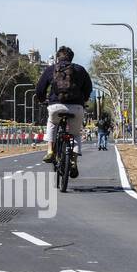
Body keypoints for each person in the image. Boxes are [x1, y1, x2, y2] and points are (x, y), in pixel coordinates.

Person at [34, 46, 93, 179]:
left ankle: (50, 151)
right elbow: (89, 88)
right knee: (76, 134)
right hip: (76, 108)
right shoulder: (80, 69)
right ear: (71, 58)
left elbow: (40, 89)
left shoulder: (51, 69)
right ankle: (73, 162)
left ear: (57, 57)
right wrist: (83, 100)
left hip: (55, 106)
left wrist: (43, 99)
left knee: (52, 124)